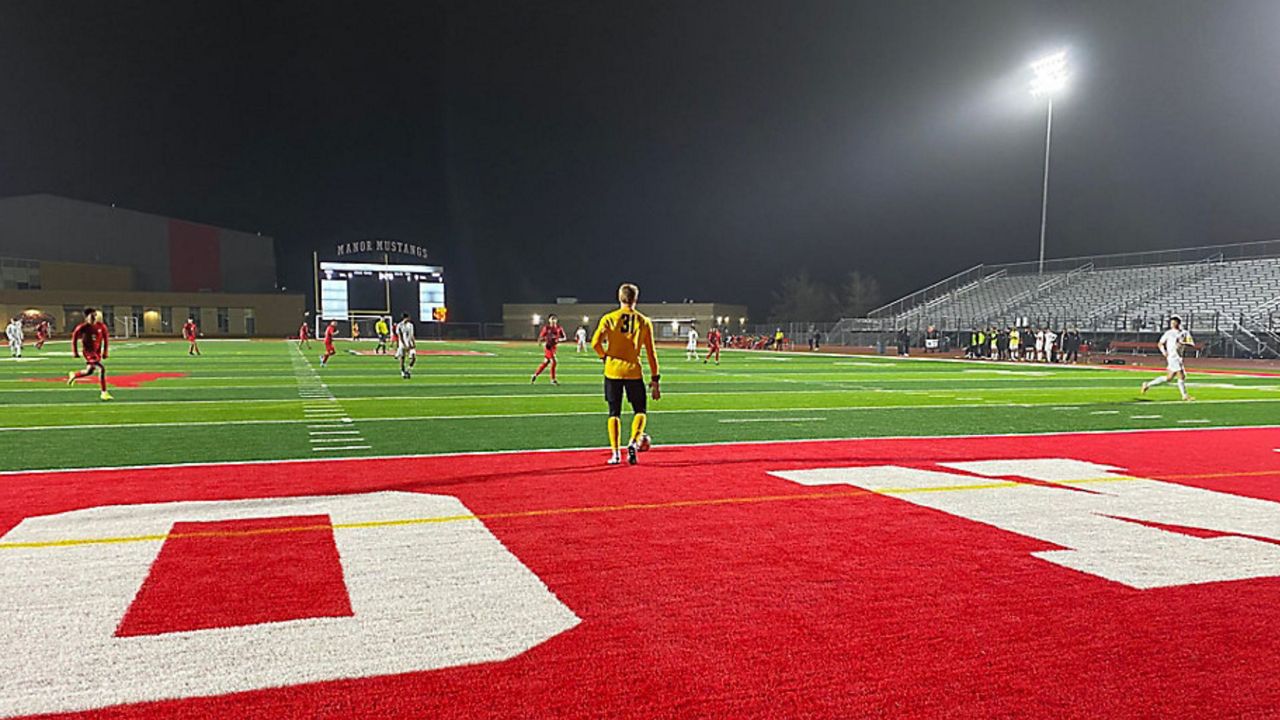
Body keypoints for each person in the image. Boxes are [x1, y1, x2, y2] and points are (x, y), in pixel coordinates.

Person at [591, 283, 660, 466]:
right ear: (635, 299)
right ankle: (632, 441)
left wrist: (604, 357)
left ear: (619, 298)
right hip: (633, 372)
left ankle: (615, 453)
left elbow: (595, 343)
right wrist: (655, 379)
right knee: (640, 410)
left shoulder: (609, 318)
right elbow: (651, 354)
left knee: (614, 412)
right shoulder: (643, 321)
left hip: (612, 370)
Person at [1141, 315, 1195, 401]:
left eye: (1174, 322)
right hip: (1173, 356)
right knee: (1181, 376)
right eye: (1171, 323)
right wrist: (1164, 352)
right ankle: (1185, 396)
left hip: (1179, 357)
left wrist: (1183, 343)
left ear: (1178, 323)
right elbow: (1160, 343)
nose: (1172, 324)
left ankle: (1147, 384)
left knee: (1169, 378)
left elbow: (1191, 344)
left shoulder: (1184, 333)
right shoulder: (1169, 333)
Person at [68, 308, 111, 401]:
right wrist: (75, 352)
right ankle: (104, 393)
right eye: (92, 316)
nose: (94, 317)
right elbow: (74, 338)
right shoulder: (82, 327)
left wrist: (105, 352)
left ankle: (75, 375)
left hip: (97, 353)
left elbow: (106, 339)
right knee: (101, 369)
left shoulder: (101, 326)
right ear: (86, 317)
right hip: (89, 353)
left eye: (95, 315)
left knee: (89, 371)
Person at [532, 314, 567, 385]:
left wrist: (559, 340)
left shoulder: (559, 328)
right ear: (549, 321)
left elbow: (564, 338)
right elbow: (541, 336)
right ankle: (553, 379)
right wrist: (540, 341)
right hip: (548, 347)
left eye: (554, 320)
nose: (553, 322)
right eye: (552, 320)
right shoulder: (547, 328)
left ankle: (535, 375)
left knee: (546, 362)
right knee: (554, 362)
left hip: (554, 348)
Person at [394, 313, 416, 379]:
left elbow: (412, 335)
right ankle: (403, 372)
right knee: (402, 359)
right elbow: (400, 336)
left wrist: (413, 343)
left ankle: (408, 370)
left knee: (413, 358)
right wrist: (404, 344)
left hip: (410, 344)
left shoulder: (411, 325)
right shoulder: (399, 325)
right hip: (402, 344)